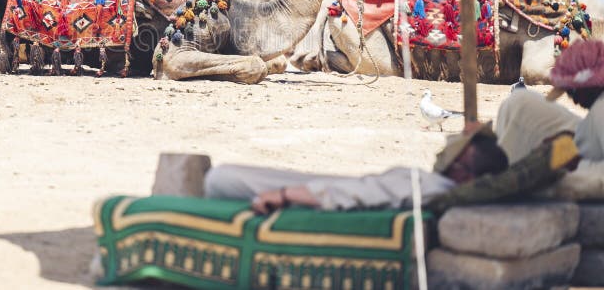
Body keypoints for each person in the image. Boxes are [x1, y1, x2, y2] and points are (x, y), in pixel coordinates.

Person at [204, 122, 509, 214]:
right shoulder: (440, 186)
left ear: (463, 170)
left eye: (457, 152)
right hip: (347, 184)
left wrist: (284, 195)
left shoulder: (431, 187)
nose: (448, 153)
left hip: (326, 195)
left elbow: (360, 193)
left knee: (222, 178)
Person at [496, 38, 604, 165]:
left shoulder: (599, 111)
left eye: (572, 92)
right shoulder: (596, 113)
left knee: (520, 103)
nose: (574, 101)